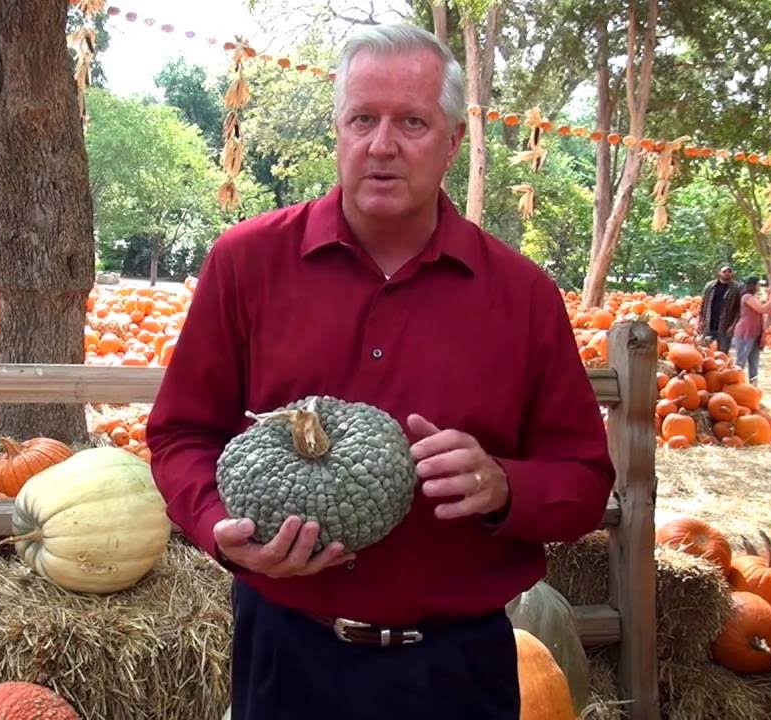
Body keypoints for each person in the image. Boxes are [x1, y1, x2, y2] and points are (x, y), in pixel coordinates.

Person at [145, 23, 615, 720]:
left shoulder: (521, 298)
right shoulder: (246, 264)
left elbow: (584, 481)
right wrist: (218, 527)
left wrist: (502, 484)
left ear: (453, 141)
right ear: (338, 129)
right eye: (362, 119)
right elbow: (181, 432)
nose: (382, 145)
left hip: (455, 670)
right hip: (286, 657)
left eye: (413, 122)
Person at [731, 276, 771, 383]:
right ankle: (735, 385)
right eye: (758, 284)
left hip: (755, 333)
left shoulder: (753, 297)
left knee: (754, 362)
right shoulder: (746, 297)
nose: (759, 287)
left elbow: (767, 310)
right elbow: (762, 309)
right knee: (741, 361)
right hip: (745, 332)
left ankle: (753, 386)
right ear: (752, 285)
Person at [697, 265, 742, 353]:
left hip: (725, 327)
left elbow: (739, 310)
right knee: (706, 352)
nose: (727, 273)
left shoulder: (736, 288)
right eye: (724, 271)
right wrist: (699, 322)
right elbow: (703, 305)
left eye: (729, 271)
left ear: (732, 273)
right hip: (709, 325)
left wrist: (733, 326)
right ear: (719, 273)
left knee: (722, 354)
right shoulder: (710, 286)